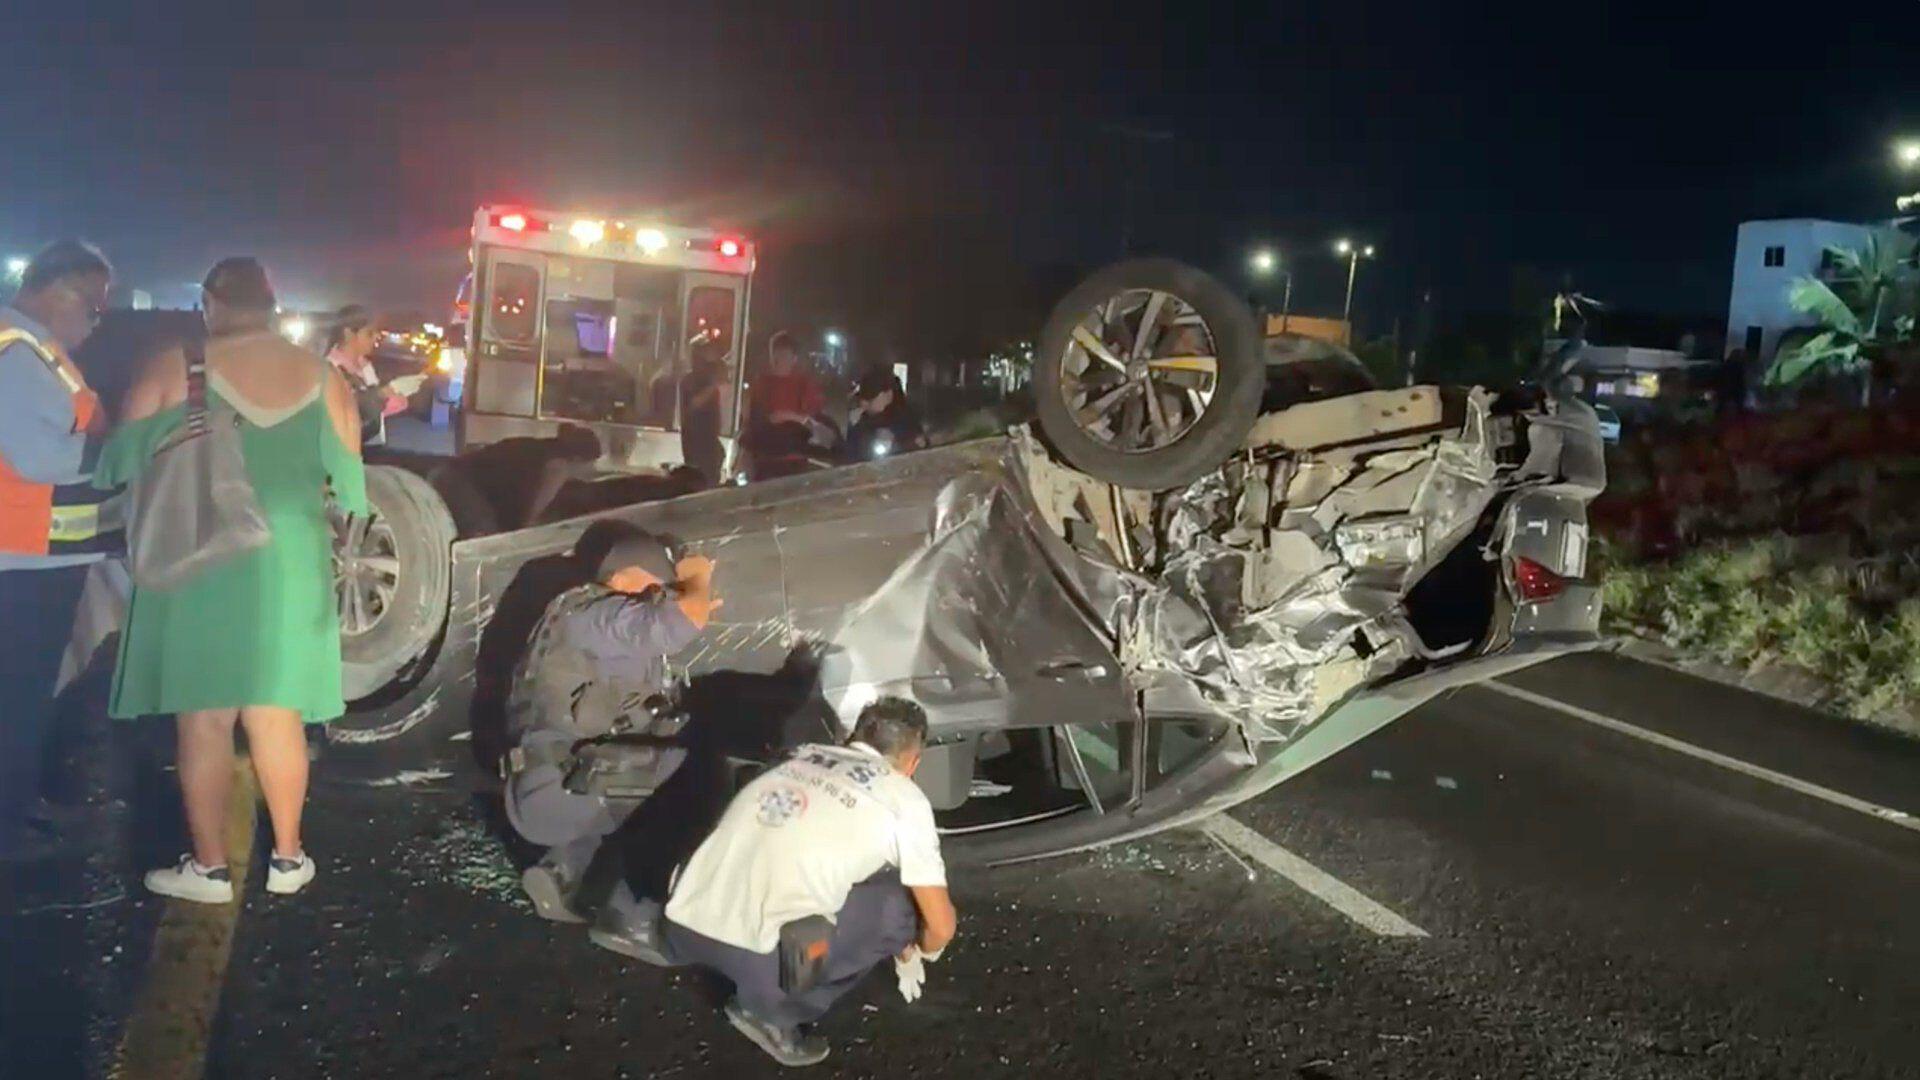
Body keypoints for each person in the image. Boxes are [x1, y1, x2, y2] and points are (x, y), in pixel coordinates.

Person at [97, 257, 366, 901]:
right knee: (276, 715)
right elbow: (353, 489)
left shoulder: (175, 364)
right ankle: (289, 858)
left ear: (210, 302)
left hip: (201, 556)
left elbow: (115, 465)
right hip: (291, 565)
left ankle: (211, 868)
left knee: (206, 719)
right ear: (272, 306)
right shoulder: (323, 377)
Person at [651, 698, 958, 1068]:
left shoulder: (798, 756)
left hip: (679, 925)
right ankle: (772, 1012)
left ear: (850, 737)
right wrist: (916, 948)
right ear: (913, 763)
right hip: (758, 960)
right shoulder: (903, 798)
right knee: (899, 908)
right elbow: (941, 926)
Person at [504, 525, 720, 923]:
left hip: (549, 784)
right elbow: (682, 620)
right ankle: (643, 909)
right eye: (659, 584)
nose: (664, 593)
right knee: (700, 772)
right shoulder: (602, 615)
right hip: (560, 788)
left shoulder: (583, 613)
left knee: (656, 741)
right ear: (626, 576)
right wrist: (697, 579)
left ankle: (565, 870)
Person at [0, 240, 118, 862]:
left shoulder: (39, 353)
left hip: (40, 556)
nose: (96, 323)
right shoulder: (15, 354)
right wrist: (116, 454)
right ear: (62, 291)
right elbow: (41, 457)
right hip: (18, 561)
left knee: (26, 692)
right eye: (95, 307)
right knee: (14, 695)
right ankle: (6, 825)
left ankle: (18, 803)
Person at [429, 423, 602, 532]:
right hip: (462, 489)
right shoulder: (557, 466)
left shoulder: (534, 445)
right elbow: (529, 517)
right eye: (590, 464)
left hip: (444, 474)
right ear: (579, 459)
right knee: (485, 544)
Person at [322, 304, 417, 446]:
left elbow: (376, 409)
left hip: (370, 444)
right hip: (344, 450)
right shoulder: (330, 369)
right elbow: (348, 411)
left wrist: (398, 394)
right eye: (369, 333)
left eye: (377, 333)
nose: (376, 338)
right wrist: (384, 394)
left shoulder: (366, 367)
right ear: (349, 333)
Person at [746, 331, 826, 446]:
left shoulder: (805, 385)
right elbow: (752, 422)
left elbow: (818, 427)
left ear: (794, 359)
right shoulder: (762, 383)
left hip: (795, 456)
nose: (778, 361)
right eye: (775, 355)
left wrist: (790, 417)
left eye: (784, 356)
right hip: (765, 454)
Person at [679, 336, 731, 484]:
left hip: (710, 443)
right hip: (695, 444)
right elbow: (694, 404)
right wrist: (714, 385)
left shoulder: (709, 379)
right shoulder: (689, 381)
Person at [846, 368, 927, 461]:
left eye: (871, 397)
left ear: (888, 394)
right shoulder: (861, 421)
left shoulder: (904, 419)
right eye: (863, 398)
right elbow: (851, 456)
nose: (864, 403)